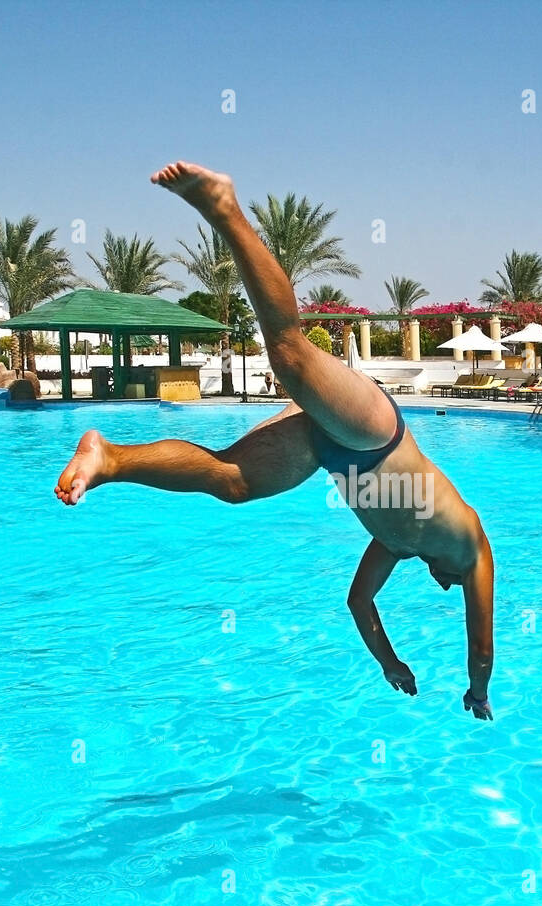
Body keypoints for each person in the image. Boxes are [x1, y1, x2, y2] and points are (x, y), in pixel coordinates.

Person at [55, 162, 495, 719]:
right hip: (374, 431)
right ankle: (223, 208)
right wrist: (478, 693)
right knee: (289, 355)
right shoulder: (472, 545)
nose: (448, 589)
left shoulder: (399, 544)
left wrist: (389, 662)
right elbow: (481, 647)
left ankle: (110, 458)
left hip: (329, 447)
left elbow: (360, 602)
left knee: (232, 481)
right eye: (455, 588)